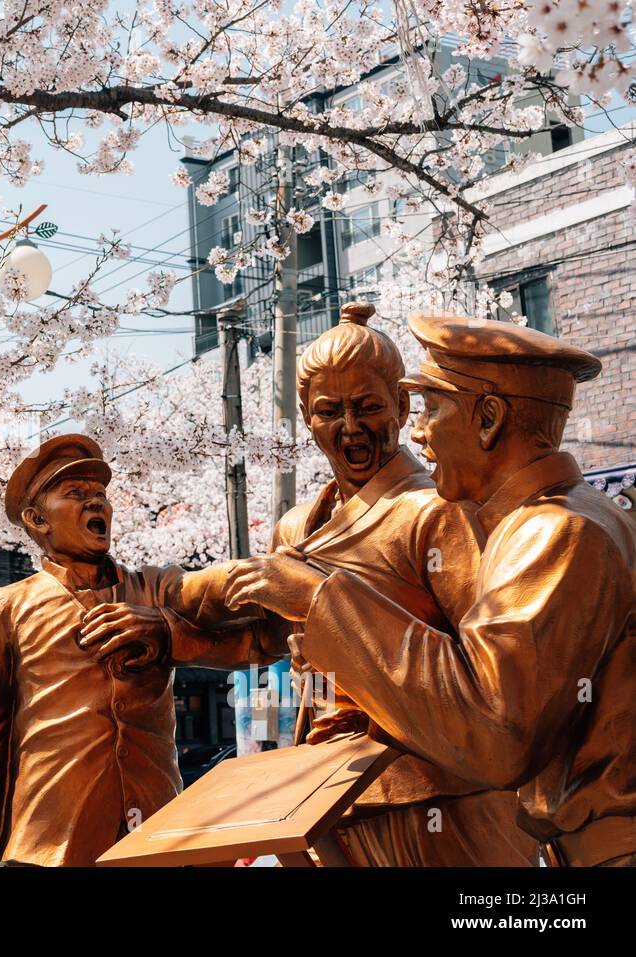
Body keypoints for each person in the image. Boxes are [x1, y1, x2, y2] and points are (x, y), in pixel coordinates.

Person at [222, 312, 636, 867]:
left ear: (487, 419)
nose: (418, 431)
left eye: (432, 408)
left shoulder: (555, 529)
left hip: (491, 821)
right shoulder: (543, 521)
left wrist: (330, 608)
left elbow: (494, 726)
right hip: (358, 799)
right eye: (327, 411)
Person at [159, 302, 535, 865]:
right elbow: (267, 636)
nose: (351, 429)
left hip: (440, 795)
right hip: (327, 790)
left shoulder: (438, 509)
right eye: (330, 411)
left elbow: (489, 675)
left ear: (403, 407)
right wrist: (169, 639)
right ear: (306, 416)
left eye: (368, 408)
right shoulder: (298, 525)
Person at [0, 434, 238, 867]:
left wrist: (168, 632)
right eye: (75, 494)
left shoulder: (154, 590)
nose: (96, 504)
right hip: (50, 835)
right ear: (37, 519)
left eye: (101, 494)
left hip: (153, 828)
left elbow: (235, 625)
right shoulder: (3, 610)